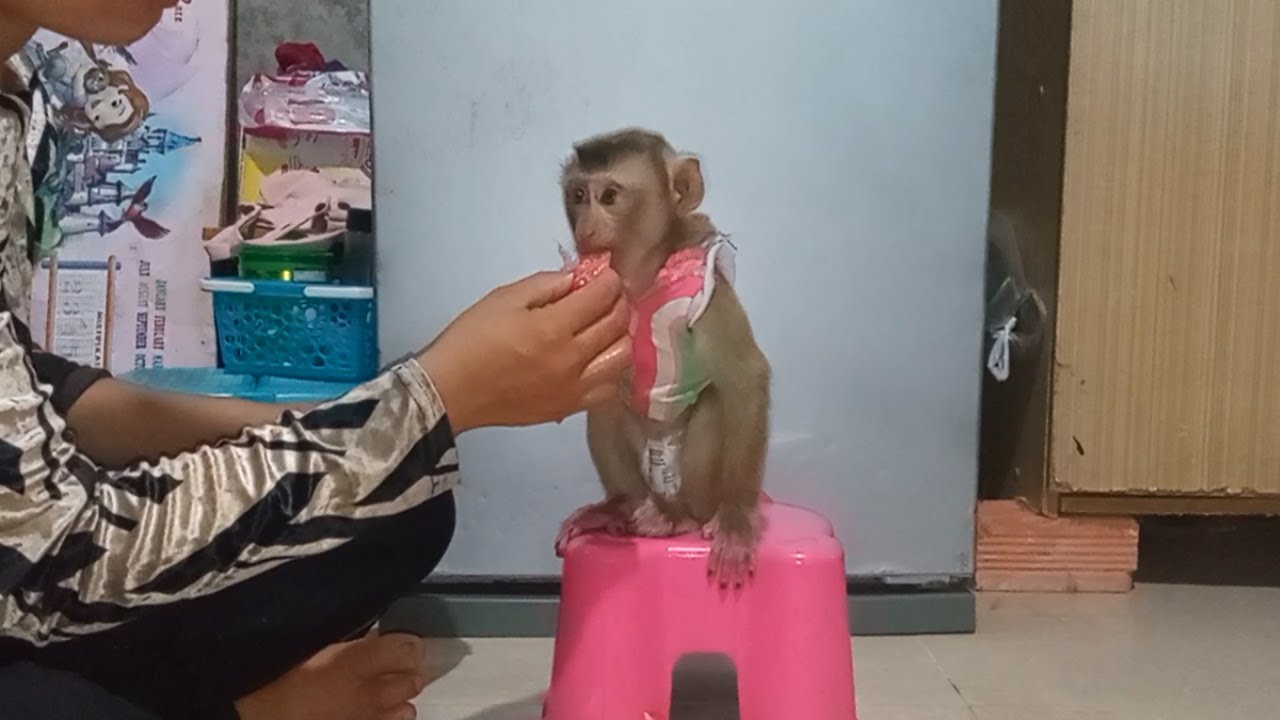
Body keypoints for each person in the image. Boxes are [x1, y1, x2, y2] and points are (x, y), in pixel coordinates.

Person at [0, 1, 631, 719]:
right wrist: (431, 399)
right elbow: (45, 559)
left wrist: (334, 426)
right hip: (38, 570)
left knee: (405, 496)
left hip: (33, 542)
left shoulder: (25, 90)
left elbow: (38, 393)